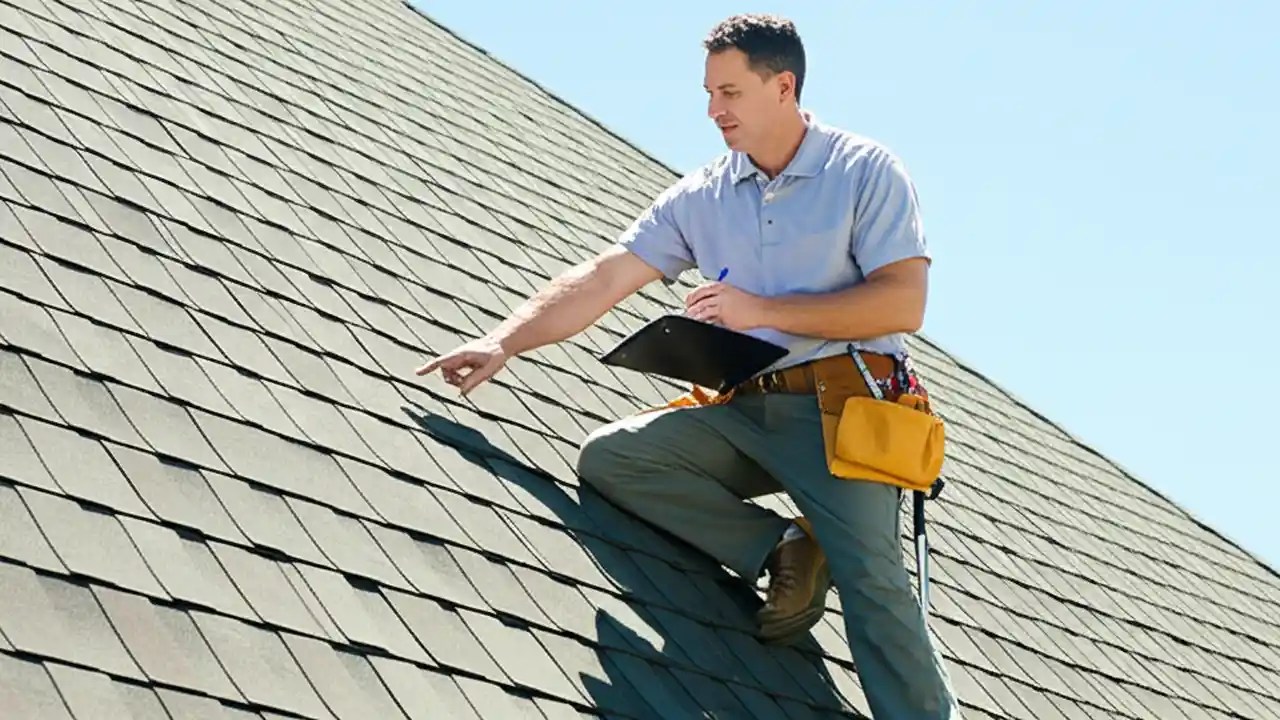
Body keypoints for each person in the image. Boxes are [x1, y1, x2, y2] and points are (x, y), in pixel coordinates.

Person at [416, 13, 959, 719]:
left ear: (783, 85)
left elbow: (902, 303)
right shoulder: (702, 194)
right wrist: (504, 342)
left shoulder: (863, 170)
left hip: (842, 412)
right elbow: (606, 276)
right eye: (708, 92)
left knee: (877, 586)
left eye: (729, 92)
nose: (713, 110)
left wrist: (759, 309)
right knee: (613, 459)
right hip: (745, 409)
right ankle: (788, 547)